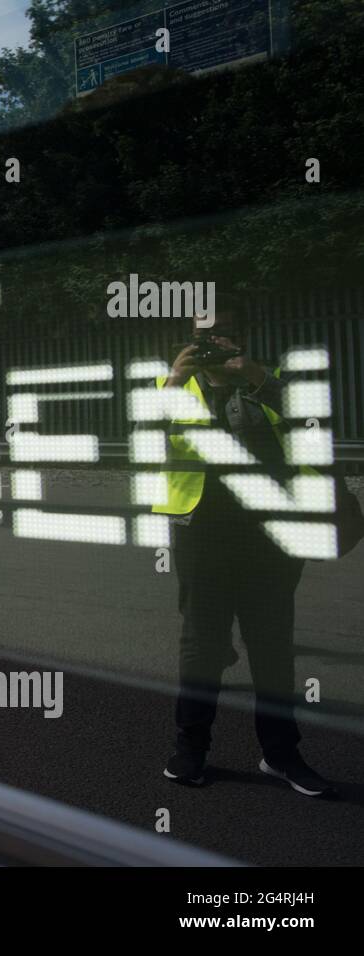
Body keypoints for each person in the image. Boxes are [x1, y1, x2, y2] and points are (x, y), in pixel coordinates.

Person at [155, 308, 334, 796]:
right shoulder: (174, 385)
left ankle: (281, 754)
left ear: (242, 341)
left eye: (221, 337)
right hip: (201, 535)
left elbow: (313, 427)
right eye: (201, 338)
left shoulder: (271, 383)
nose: (211, 346)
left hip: (271, 538)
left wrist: (254, 376)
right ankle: (190, 749)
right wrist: (174, 379)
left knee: (273, 648)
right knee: (202, 647)